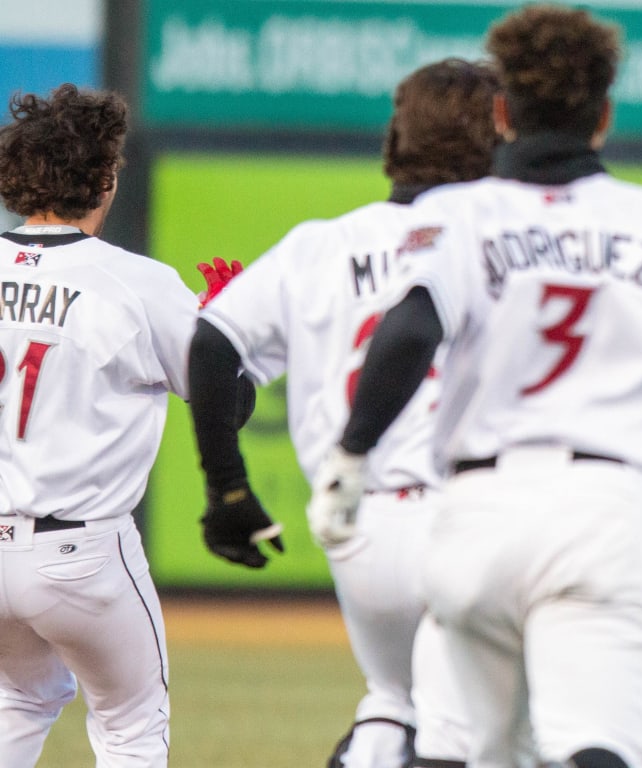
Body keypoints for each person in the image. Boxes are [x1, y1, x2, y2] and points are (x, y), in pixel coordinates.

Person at [303, 6, 642, 768]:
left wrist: (351, 455)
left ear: (503, 114)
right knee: (593, 745)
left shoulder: (454, 215)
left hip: (476, 510)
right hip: (606, 511)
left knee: (455, 748)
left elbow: (408, 331)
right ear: (604, 116)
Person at [187, 58, 501, 768]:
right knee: (491, 729)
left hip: (357, 527)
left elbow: (209, 347)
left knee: (393, 699)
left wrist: (227, 489)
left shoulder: (319, 246)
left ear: (397, 138)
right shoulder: (492, 240)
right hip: (460, 518)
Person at [0, 83, 196, 768]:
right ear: (104, 179)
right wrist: (221, 333)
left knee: (17, 700)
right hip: (80, 552)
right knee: (132, 728)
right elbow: (224, 392)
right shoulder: (136, 282)